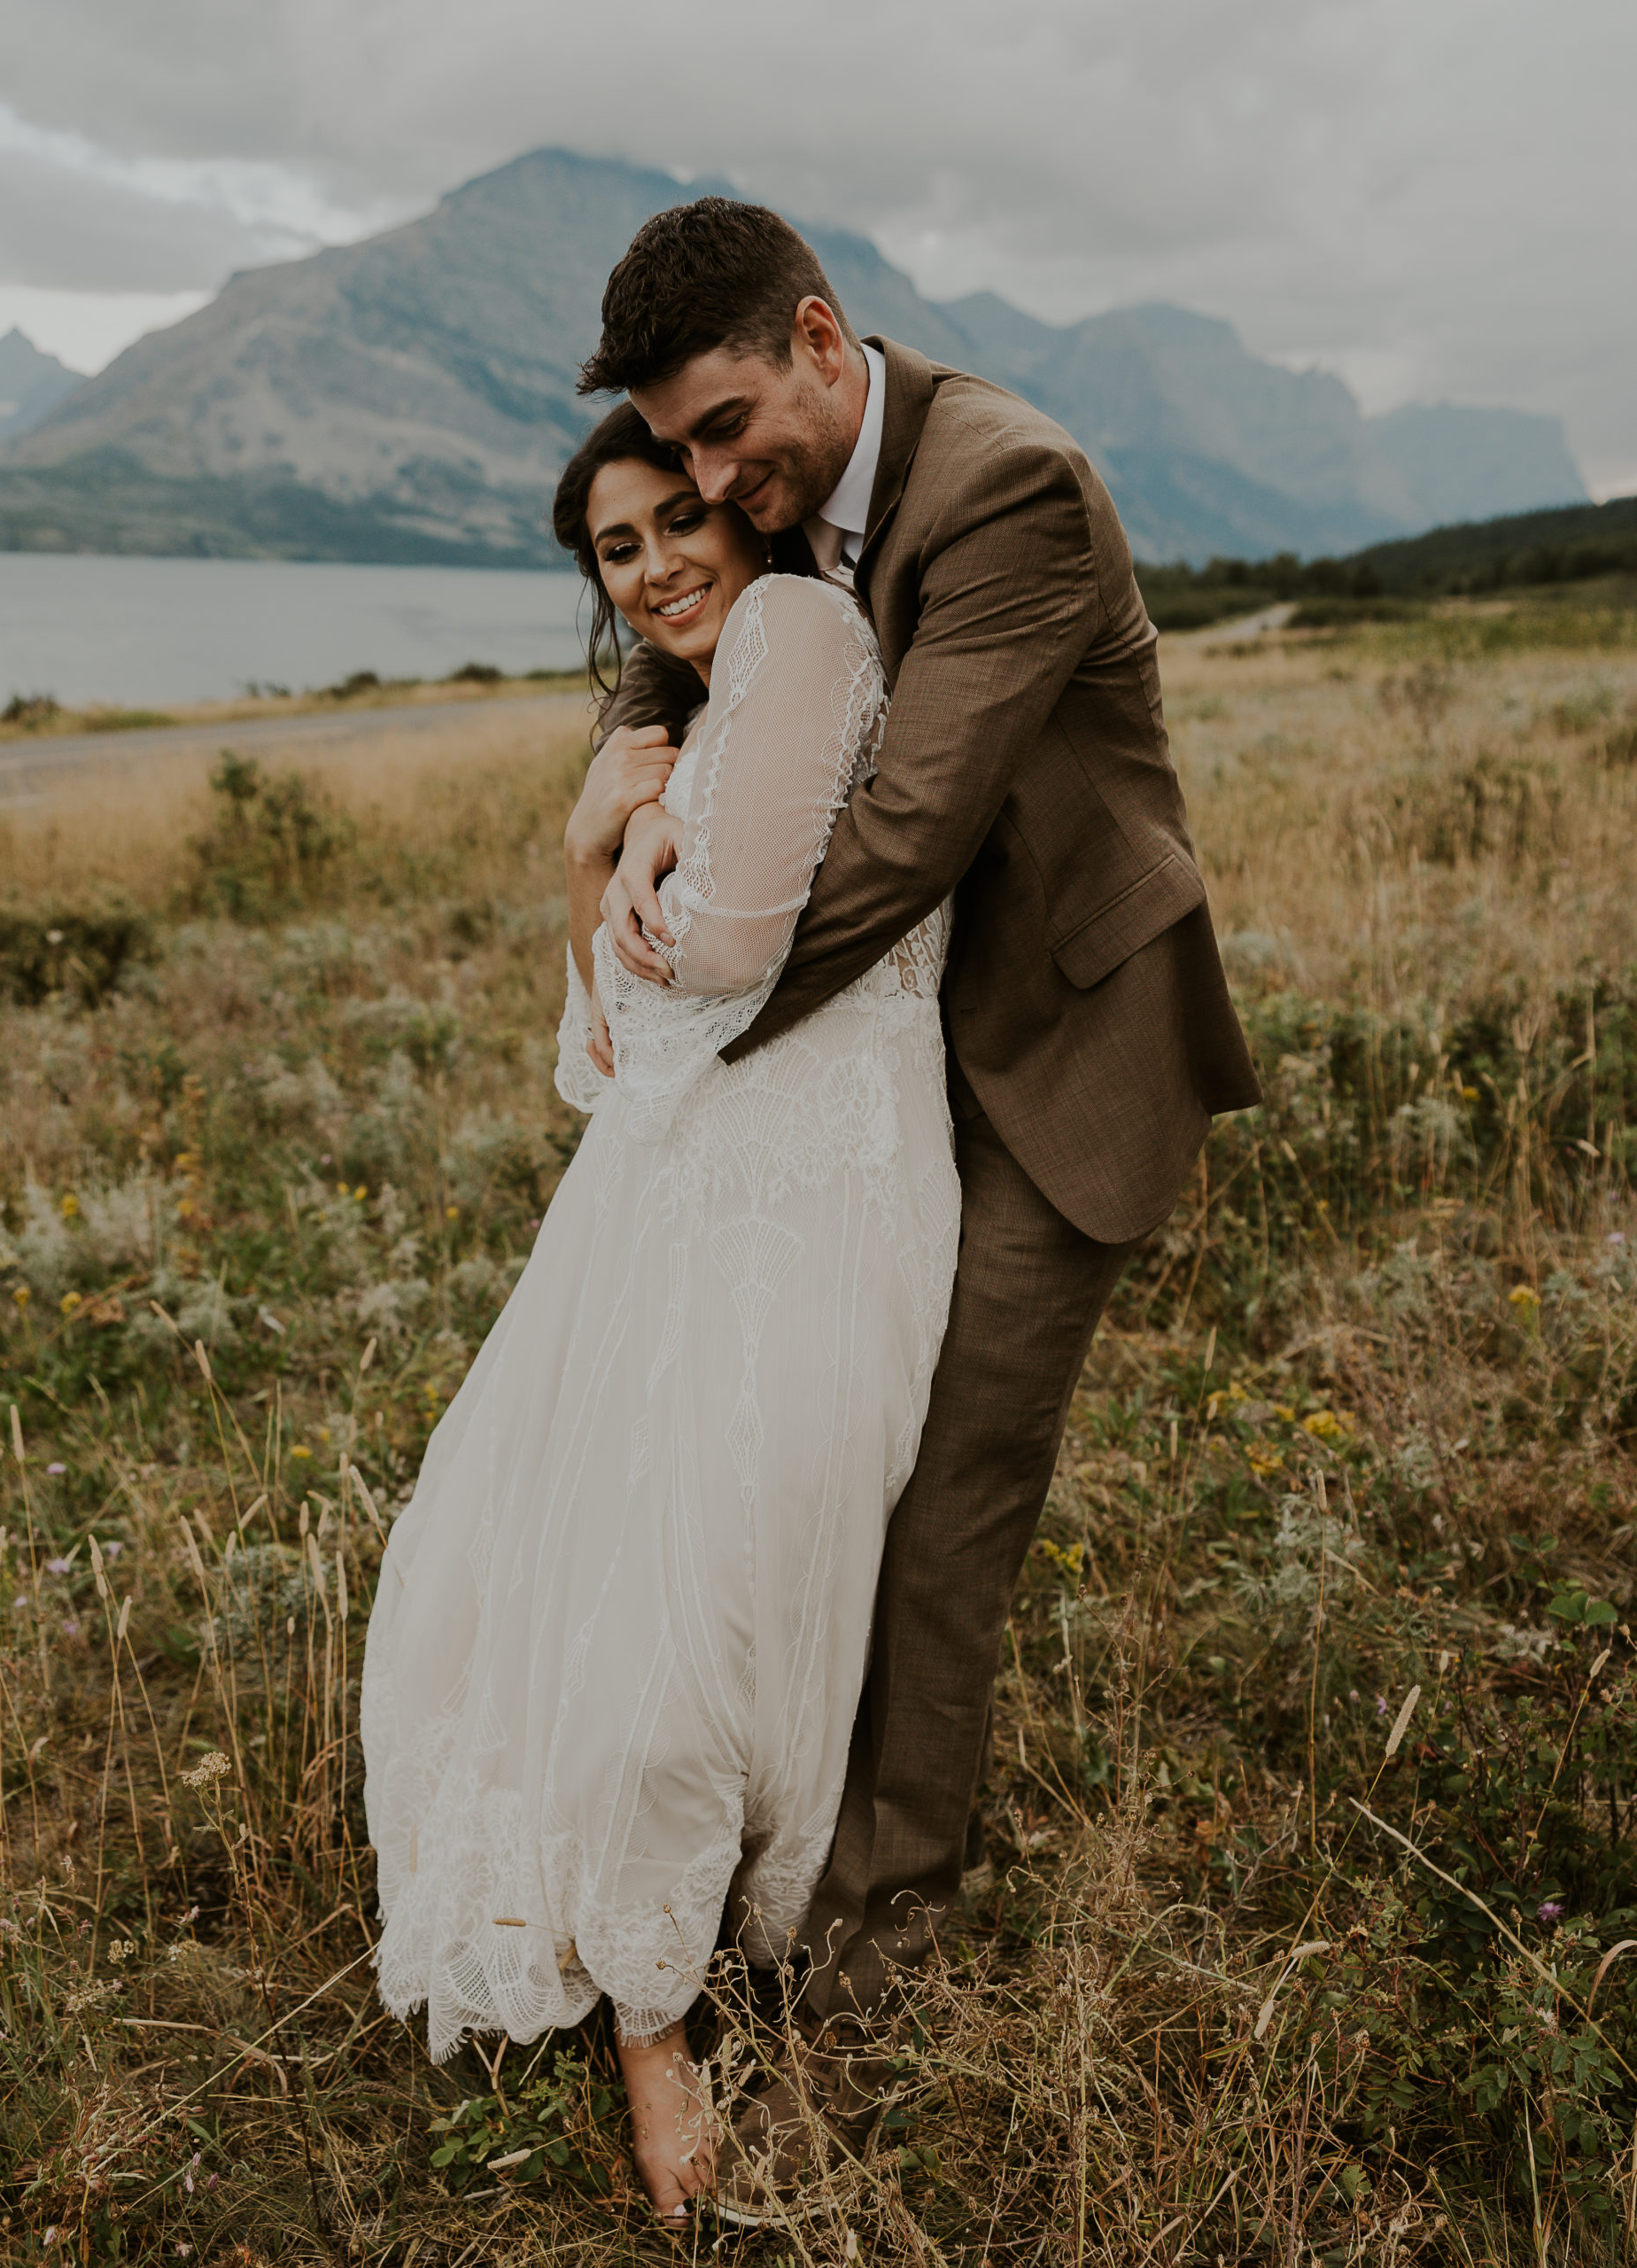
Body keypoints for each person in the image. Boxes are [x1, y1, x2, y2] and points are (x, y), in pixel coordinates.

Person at [585, 196, 1261, 2215]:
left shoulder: (1011, 486)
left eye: (725, 432)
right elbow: (700, 659)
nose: (712, 484)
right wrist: (628, 777)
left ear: (816, 333)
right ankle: (793, 1846)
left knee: (949, 1482)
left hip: (1053, 1037)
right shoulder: (786, 474)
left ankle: (882, 1967)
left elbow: (884, 840)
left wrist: (674, 1002)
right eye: (679, 452)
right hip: (887, 1069)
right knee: (826, 1457)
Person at [359, 400, 961, 2222]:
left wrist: (648, 869)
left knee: (758, 1553)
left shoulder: (803, 645)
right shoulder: (661, 730)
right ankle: (649, 2014)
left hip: (830, 1180)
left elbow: (744, 952)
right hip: (662, 1202)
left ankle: (734, 1899)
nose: (652, 565)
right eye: (612, 552)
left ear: (731, 505)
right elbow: (595, 1058)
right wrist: (584, 846)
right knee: (661, 1577)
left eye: (668, 518)